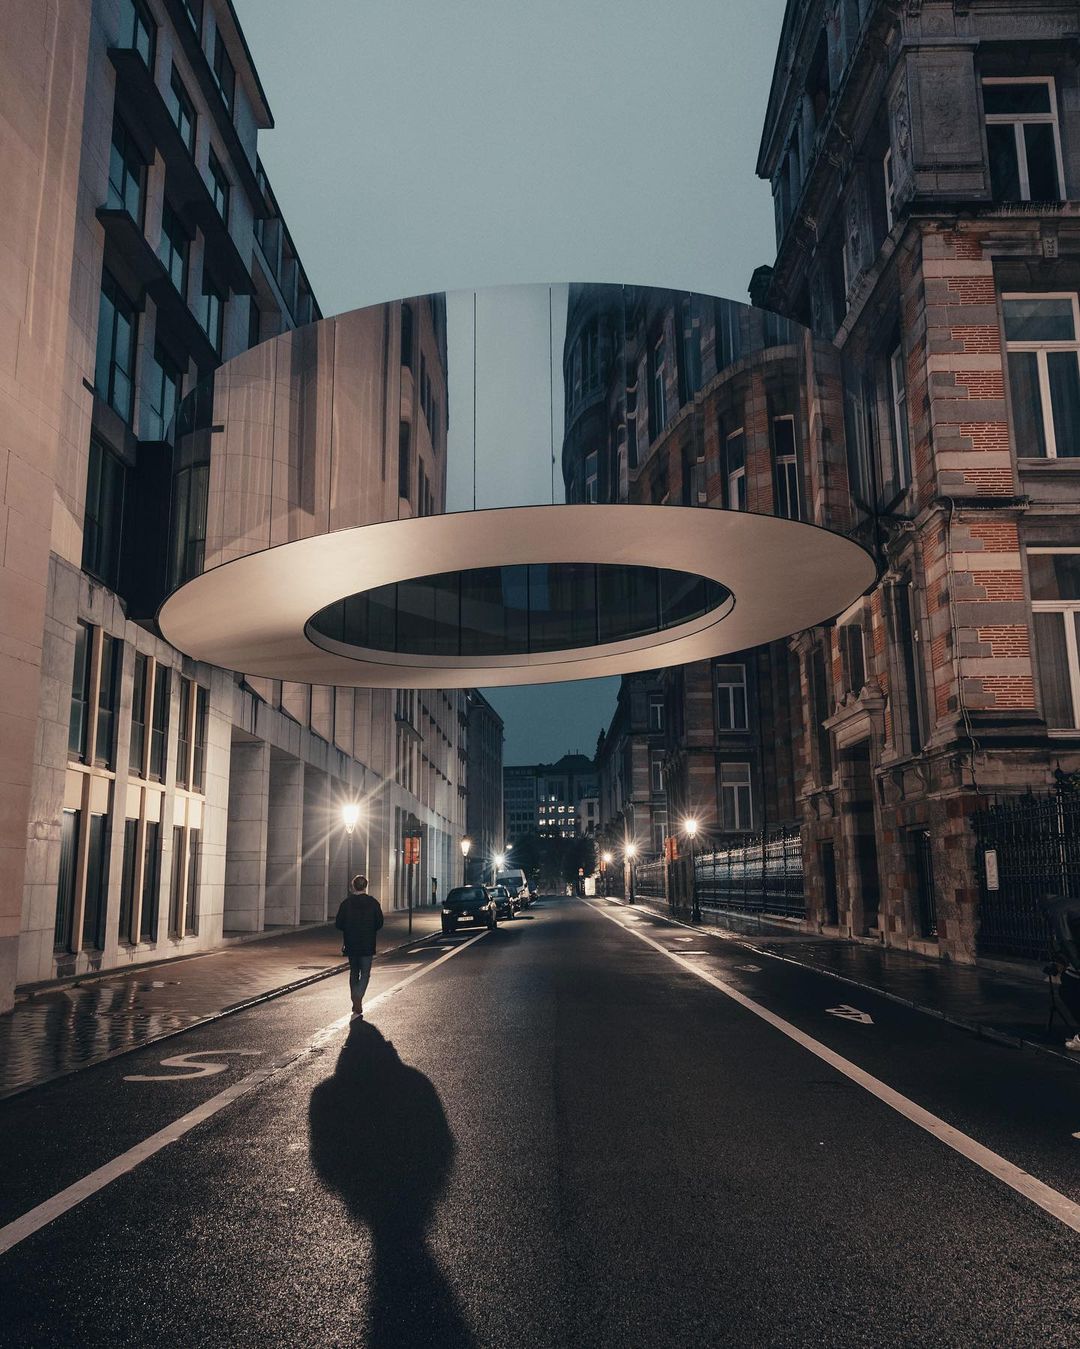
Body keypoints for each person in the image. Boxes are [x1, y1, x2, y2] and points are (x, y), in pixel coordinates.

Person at [335, 874, 384, 1018]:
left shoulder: (346, 903)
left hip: (351, 943)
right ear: (365, 886)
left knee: (354, 972)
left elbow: (338, 924)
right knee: (365, 974)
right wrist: (370, 929)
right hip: (367, 943)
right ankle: (358, 996)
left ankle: (355, 999)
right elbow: (379, 923)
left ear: (353, 886)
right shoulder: (373, 903)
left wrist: (348, 928)